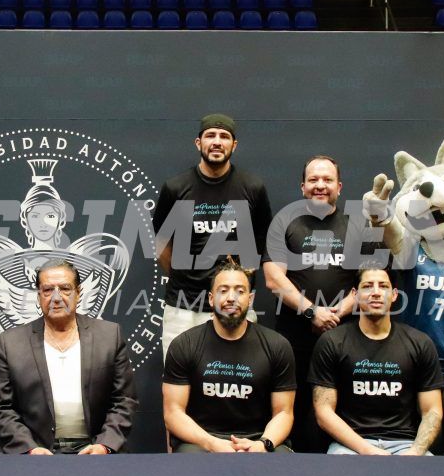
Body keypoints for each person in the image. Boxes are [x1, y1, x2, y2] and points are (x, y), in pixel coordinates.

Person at [263, 155, 366, 452]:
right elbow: (273, 278)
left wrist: (337, 313)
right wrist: (312, 312)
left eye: (327, 180)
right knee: (292, 414)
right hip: (294, 342)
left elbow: (371, 280)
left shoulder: (358, 226)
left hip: (344, 340)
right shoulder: (285, 223)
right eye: (313, 180)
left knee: (342, 413)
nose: (320, 185)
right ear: (303, 187)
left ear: (339, 187)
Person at [153, 113, 272, 361]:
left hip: (235, 304)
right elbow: (161, 244)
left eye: (224, 137)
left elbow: (262, 239)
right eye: (210, 136)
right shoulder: (175, 188)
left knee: (237, 376)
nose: (217, 142)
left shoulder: (252, 187)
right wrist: (184, 275)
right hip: (183, 306)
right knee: (179, 377)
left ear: (234, 145)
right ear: (199, 143)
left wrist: (243, 273)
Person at [0, 259, 138, 454]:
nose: (56, 297)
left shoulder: (109, 336)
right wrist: (29, 448)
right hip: (34, 452)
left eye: (65, 289)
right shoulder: (11, 343)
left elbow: (124, 400)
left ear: (79, 293)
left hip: (96, 450)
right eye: (48, 290)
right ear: (39, 295)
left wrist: (104, 445)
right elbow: (1, 407)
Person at [163, 259, 296, 453]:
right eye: (223, 290)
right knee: (187, 463)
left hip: (257, 441)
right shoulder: (184, 345)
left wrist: (263, 444)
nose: (231, 298)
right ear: (211, 299)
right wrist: (211, 443)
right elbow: (173, 413)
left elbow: (284, 412)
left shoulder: (277, 346)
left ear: (250, 299)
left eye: (240, 291)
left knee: (284, 464)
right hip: (202, 442)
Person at [310, 267, 444, 455]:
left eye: (383, 286)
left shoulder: (420, 343)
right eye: (367, 286)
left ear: (394, 295)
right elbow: (324, 412)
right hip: (350, 446)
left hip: (405, 445)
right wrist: (369, 451)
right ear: (355, 295)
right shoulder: (332, 342)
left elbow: (432, 411)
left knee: (429, 474)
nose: (375, 292)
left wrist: (415, 452)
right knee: (341, 473)